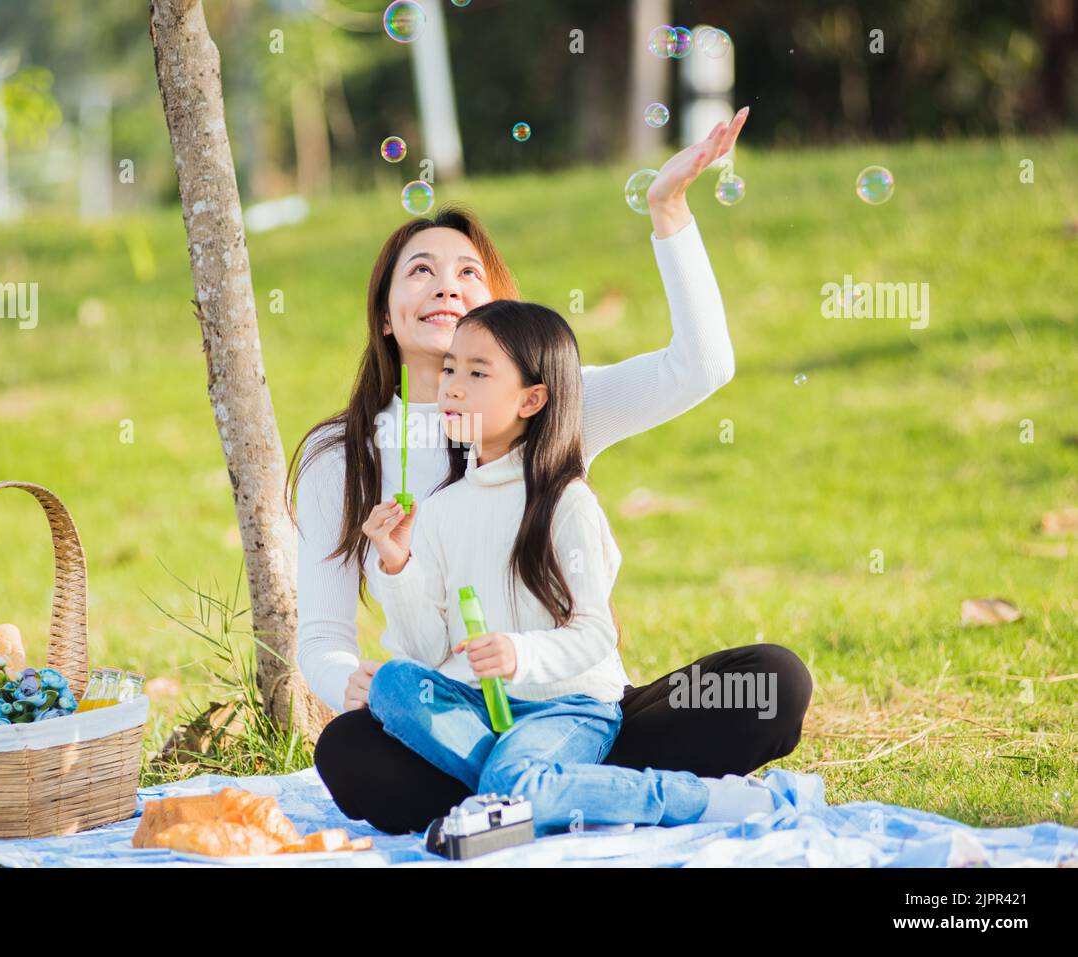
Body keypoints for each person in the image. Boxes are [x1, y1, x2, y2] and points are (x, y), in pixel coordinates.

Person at [287, 107, 814, 833]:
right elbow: (320, 632)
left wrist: (668, 211)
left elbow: (702, 365)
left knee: (769, 683)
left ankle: (522, 794)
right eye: (421, 270)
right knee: (350, 748)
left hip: (582, 709)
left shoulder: (556, 406)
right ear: (384, 314)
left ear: (497, 308)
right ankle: (556, 791)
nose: (446, 284)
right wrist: (345, 679)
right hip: (455, 722)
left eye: (468, 272)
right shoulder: (340, 455)